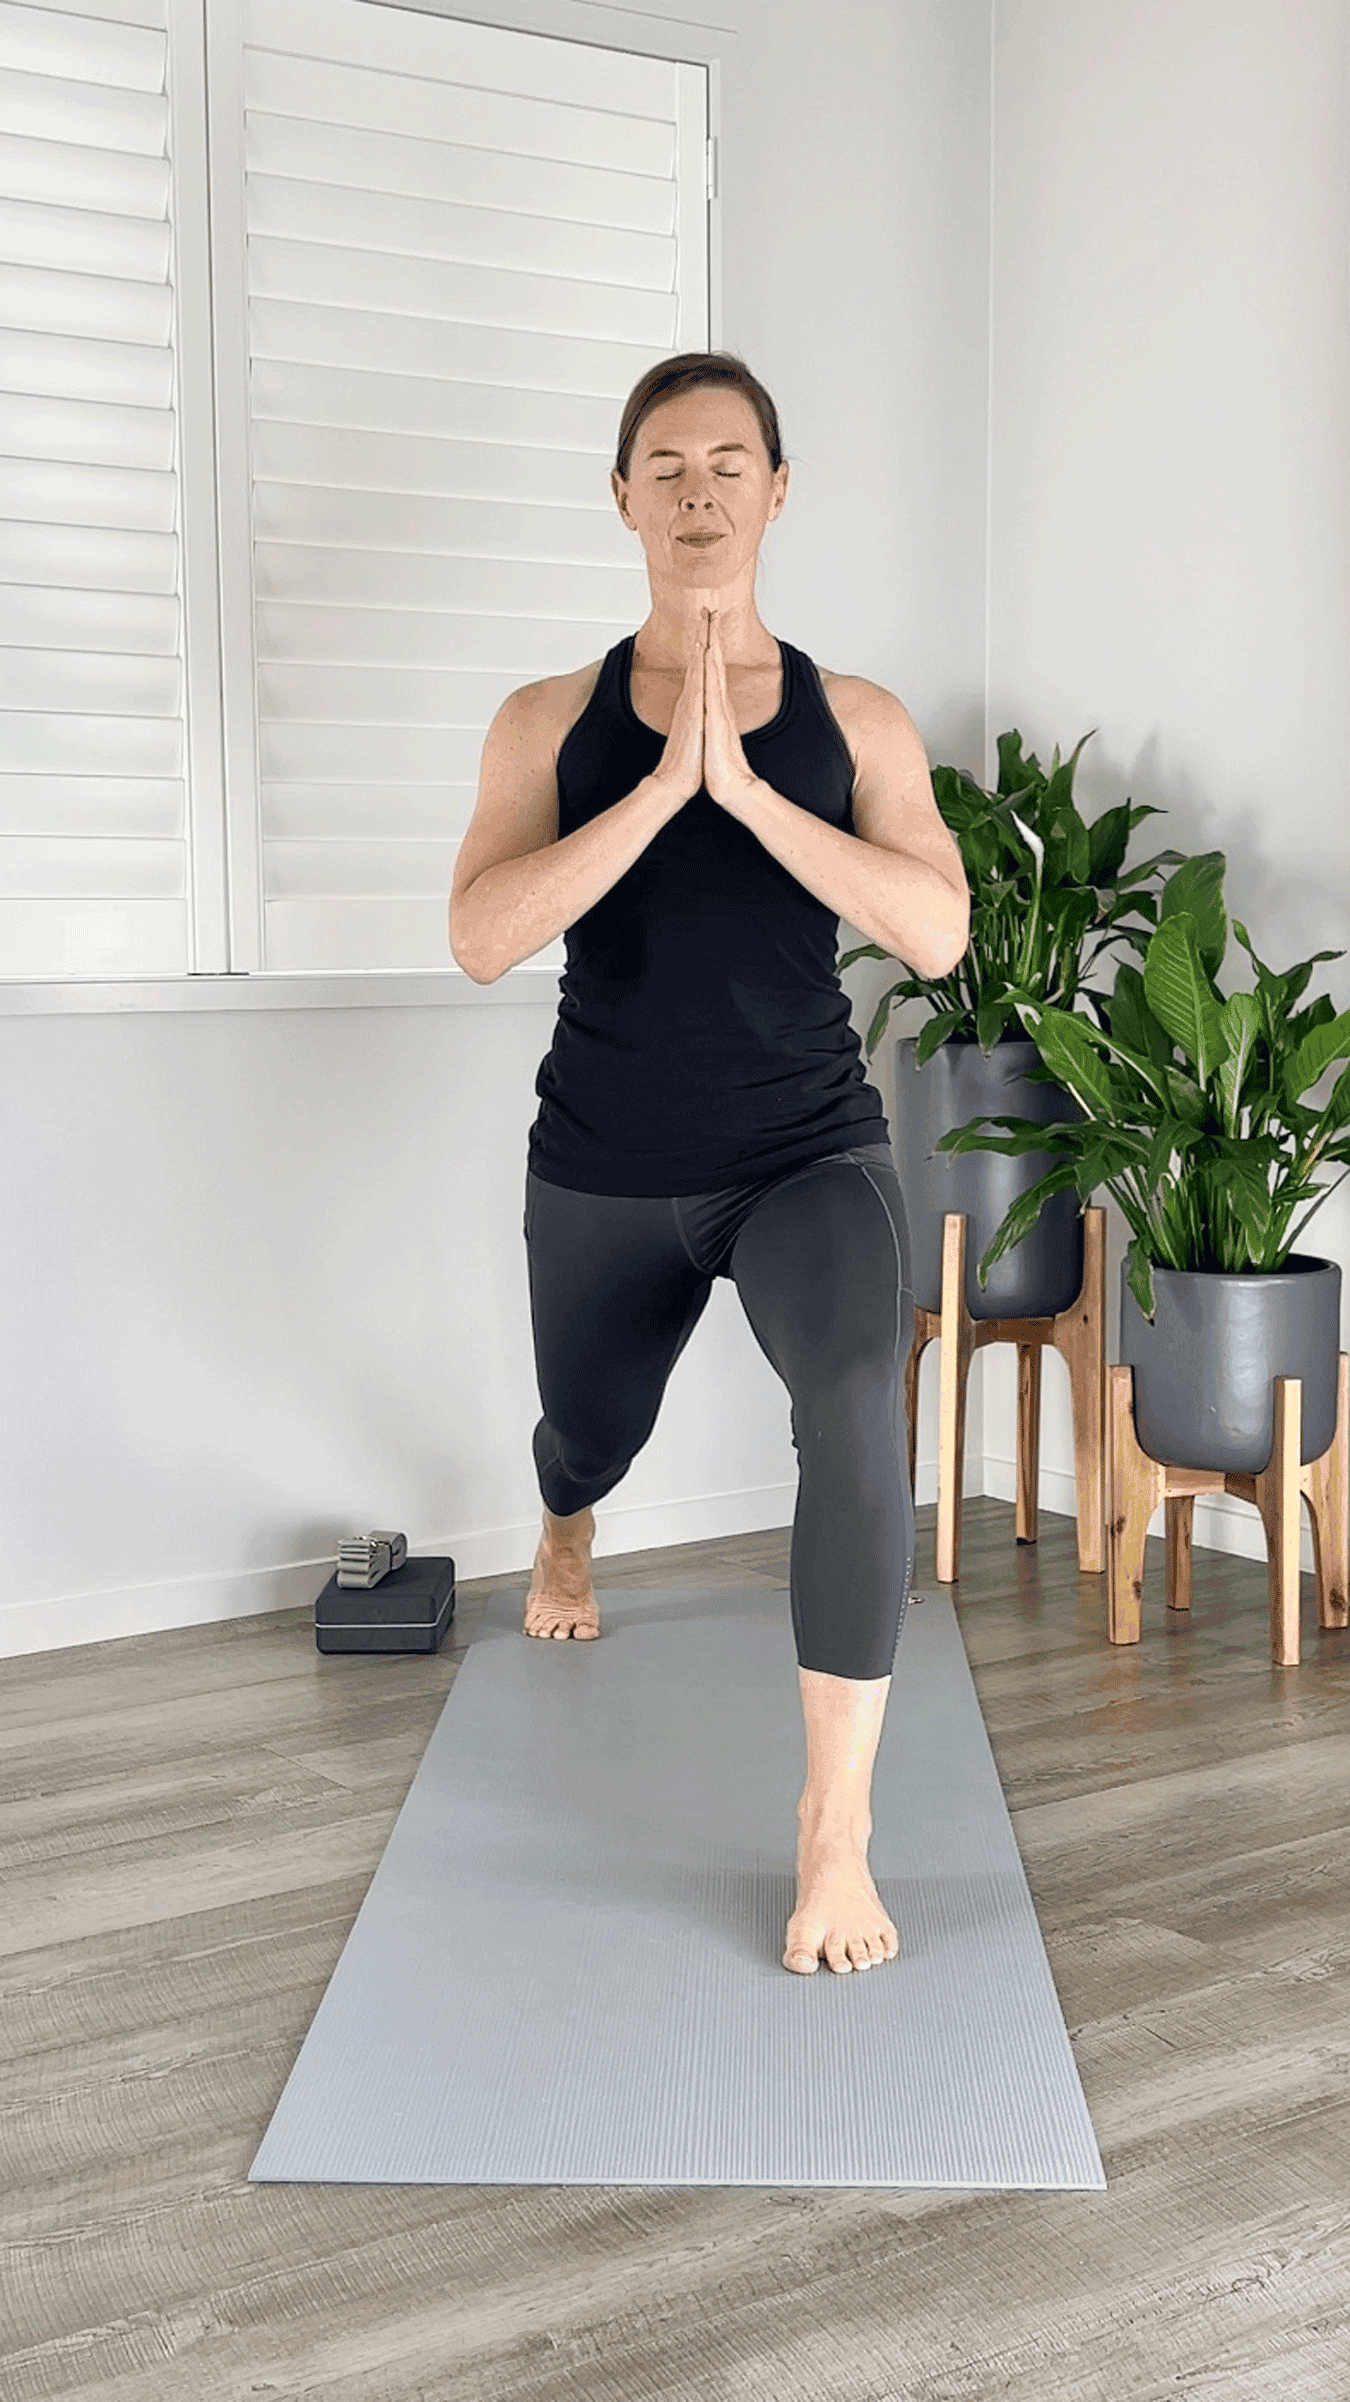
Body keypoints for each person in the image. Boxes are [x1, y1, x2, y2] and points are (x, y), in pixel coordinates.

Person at [449, 352, 969, 1975]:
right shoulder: (546, 719)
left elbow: (936, 930)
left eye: (727, 461)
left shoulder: (856, 719)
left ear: (776, 488)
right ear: (622, 498)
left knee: (849, 1402)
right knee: (583, 1428)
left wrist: (745, 790)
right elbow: (479, 935)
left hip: (797, 1149)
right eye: (663, 465)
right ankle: (565, 1523)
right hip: (603, 1159)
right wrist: (661, 785)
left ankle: (833, 1836)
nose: (696, 491)